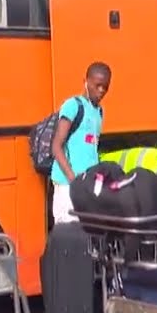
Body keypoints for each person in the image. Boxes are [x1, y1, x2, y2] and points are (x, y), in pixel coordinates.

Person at [50, 62, 111, 224]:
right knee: (69, 234)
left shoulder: (99, 111)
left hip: (87, 186)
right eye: (97, 85)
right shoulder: (73, 105)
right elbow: (56, 146)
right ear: (86, 81)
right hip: (67, 186)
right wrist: (73, 179)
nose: (101, 91)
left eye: (105, 87)